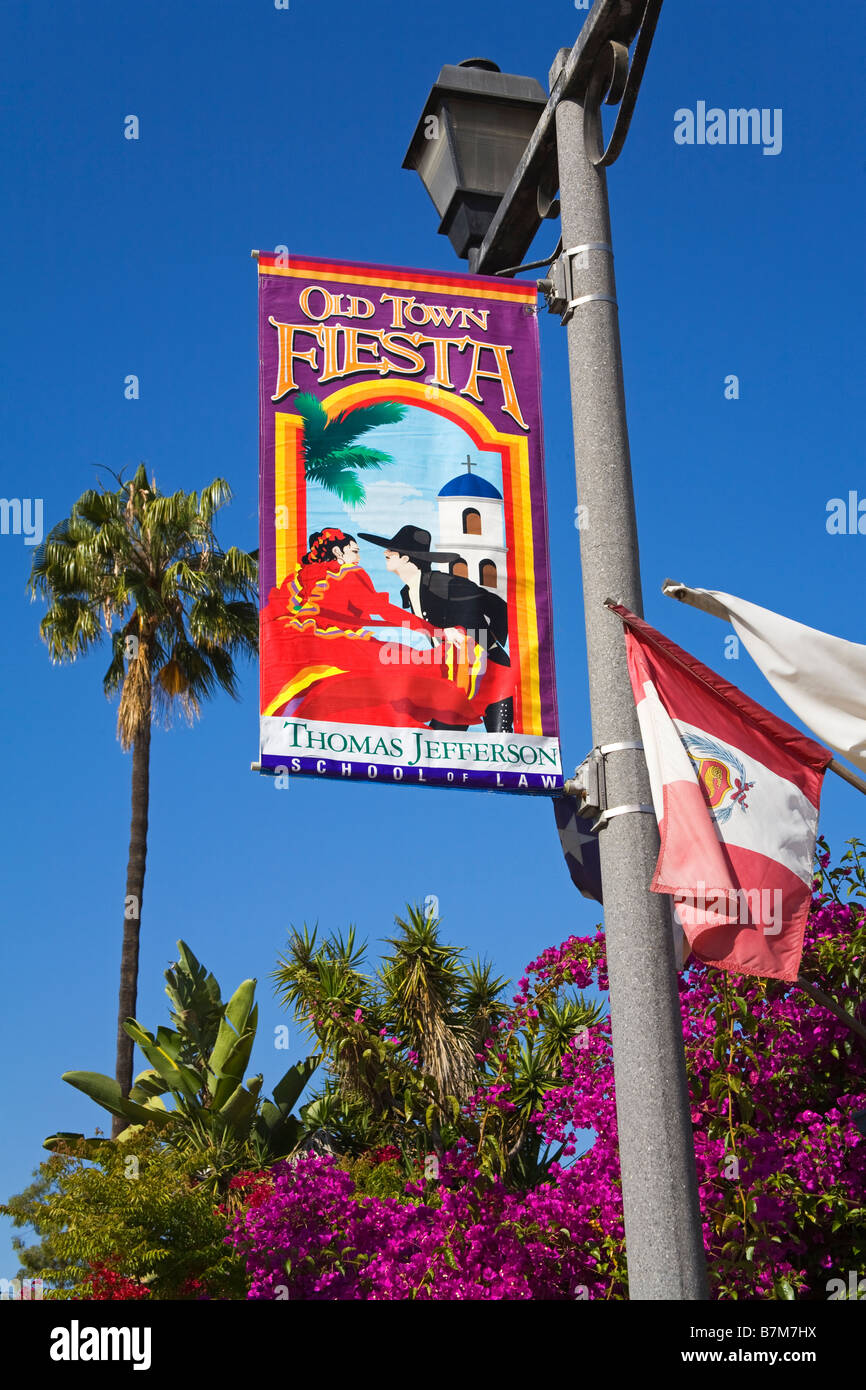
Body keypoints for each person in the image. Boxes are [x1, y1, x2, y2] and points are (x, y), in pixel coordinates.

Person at [260, 527, 492, 728]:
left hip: (304, 647)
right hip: (337, 644)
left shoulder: (302, 578)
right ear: (338, 552)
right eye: (355, 551)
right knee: (408, 665)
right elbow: (386, 612)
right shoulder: (348, 576)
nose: (359, 557)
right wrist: (439, 631)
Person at [357, 524, 514, 731]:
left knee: (500, 738)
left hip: (492, 673)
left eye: (392, 551)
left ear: (406, 558)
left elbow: (499, 606)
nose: (385, 553)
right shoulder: (409, 593)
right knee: (443, 736)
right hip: (457, 675)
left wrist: (487, 644)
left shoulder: (443, 583)